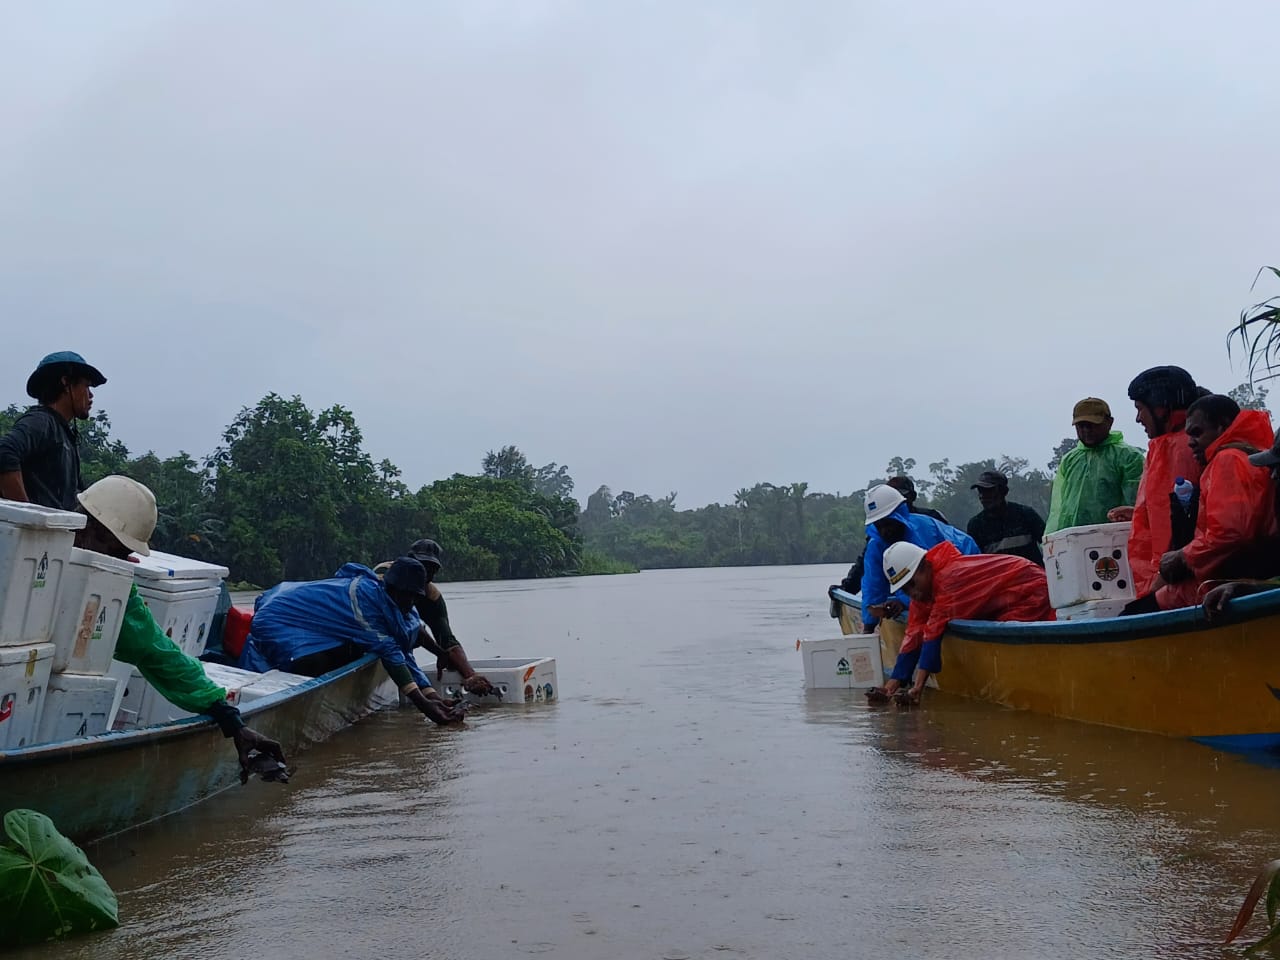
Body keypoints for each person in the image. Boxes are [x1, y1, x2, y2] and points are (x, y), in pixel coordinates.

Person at [73, 475, 286, 776]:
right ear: (83, 528)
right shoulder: (24, 551)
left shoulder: (115, 589)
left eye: (125, 554)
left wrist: (229, 718)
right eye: (114, 549)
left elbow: (158, 653)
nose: (121, 563)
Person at [239, 556, 467, 725]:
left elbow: (412, 633)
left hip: (314, 621)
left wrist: (439, 660)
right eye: (410, 597)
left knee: (360, 649)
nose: (412, 602)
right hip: (277, 619)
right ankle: (300, 713)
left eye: (416, 598)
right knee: (313, 662)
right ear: (394, 589)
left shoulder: (400, 605)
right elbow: (392, 653)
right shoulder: (365, 607)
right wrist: (427, 708)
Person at [867, 539, 1055, 706]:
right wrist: (890, 686)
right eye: (905, 590)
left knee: (1006, 627)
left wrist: (917, 689)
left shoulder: (950, 578)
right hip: (1008, 595)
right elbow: (914, 632)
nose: (912, 594)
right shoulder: (923, 593)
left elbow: (932, 632)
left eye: (913, 584)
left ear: (926, 566)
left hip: (1030, 588)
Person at [1134, 394, 1275, 611]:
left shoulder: (1228, 460)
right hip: (1234, 574)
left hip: (1215, 582)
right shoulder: (1247, 455)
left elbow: (1229, 532)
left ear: (1222, 427)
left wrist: (1181, 557)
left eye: (1197, 433)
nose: (1191, 442)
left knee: (1133, 613)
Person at [1108, 366, 1203, 597]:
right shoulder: (1166, 446)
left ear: (1161, 407)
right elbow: (1172, 507)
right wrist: (1141, 513)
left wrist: (1158, 587)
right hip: (1165, 581)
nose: (1138, 418)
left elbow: (1185, 524)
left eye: (1140, 408)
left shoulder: (1182, 448)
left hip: (1179, 586)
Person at [373, 539, 494, 696]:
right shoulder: (386, 576)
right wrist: (439, 653)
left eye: (431, 570)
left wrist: (470, 676)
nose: (425, 574)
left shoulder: (431, 596)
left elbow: (447, 640)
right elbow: (401, 625)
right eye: (422, 566)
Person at [859, 483, 979, 629]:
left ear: (900, 515)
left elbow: (931, 584)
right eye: (879, 526)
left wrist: (903, 602)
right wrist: (869, 627)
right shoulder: (876, 545)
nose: (885, 531)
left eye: (889, 523)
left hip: (966, 570)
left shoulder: (925, 533)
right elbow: (873, 587)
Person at [0, 351, 107, 510]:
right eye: (86, 386)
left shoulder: (64, 434)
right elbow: (4, 452)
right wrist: (26, 515)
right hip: (32, 535)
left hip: (51, 534)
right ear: (66, 383)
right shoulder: (41, 422)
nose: (90, 395)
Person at [1044, 398, 1144, 534]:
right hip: (1074, 539)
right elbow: (1059, 508)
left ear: (1109, 422)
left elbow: (1136, 505)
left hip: (1115, 538)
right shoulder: (1070, 459)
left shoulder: (1129, 457)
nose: (1086, 430)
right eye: (1081, 426)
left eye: (1092, 425)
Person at [837, 476, 949, 594]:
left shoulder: (929, 522)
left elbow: (937, 565)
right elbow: (867, 565)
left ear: (912, 497)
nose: (885, 529)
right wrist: (847, 588)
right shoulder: (880, 530)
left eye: (903, 496)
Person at [965, 471, 1045, 565]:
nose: (982, 496)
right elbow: (976, 563)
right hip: (999, 579)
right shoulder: (976, 525)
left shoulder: (1025, 514)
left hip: (1033, 577)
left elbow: (1049, 543)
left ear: (1003, 491)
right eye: (980, 491)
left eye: (988, 491)